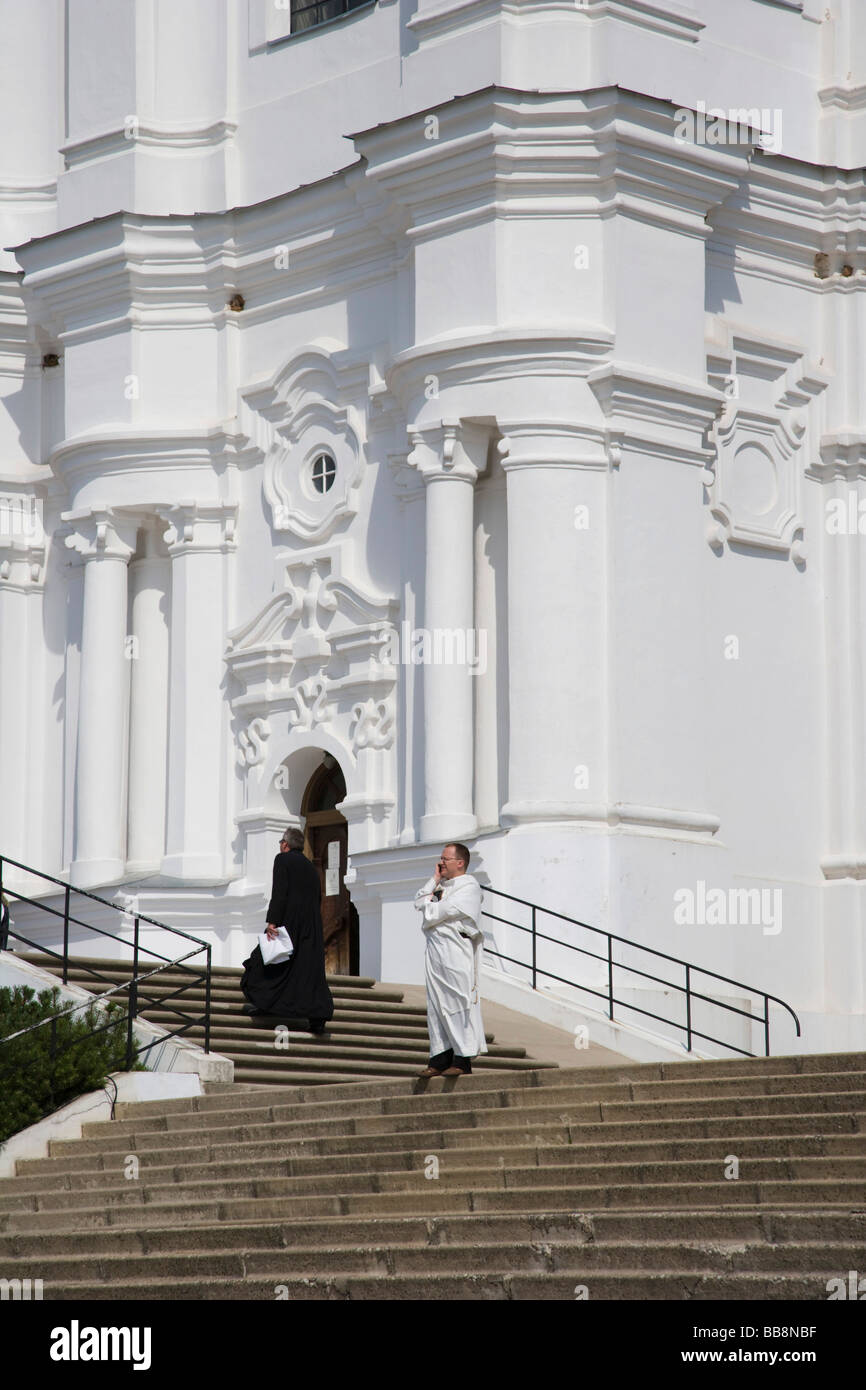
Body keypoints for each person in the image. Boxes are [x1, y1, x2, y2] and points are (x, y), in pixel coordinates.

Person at [240, 827, 334, 1033]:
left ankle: (266, 1003)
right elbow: (318, 897)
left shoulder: (282, 860)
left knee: (265, 961)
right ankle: (316, 1016)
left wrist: (272, 921)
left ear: (285, 844)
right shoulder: (310, 867)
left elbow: (280, 893)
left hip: (289, 924)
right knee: (306, 971)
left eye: (281, 842)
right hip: (310, 927)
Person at [414, 842, 487, 1077]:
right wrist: (434, 879)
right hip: (435, 952)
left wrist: (431, 909)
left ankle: (462, 1059)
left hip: (455, 952)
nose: (441, 862)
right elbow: (419, 902)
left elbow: (438, 911)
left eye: (446, 859)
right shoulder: (441, 886)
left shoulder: (469, 886)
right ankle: (439, 1058)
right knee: (436, 1006)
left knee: (457, 1002)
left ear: (460, 862)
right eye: (441, 858)